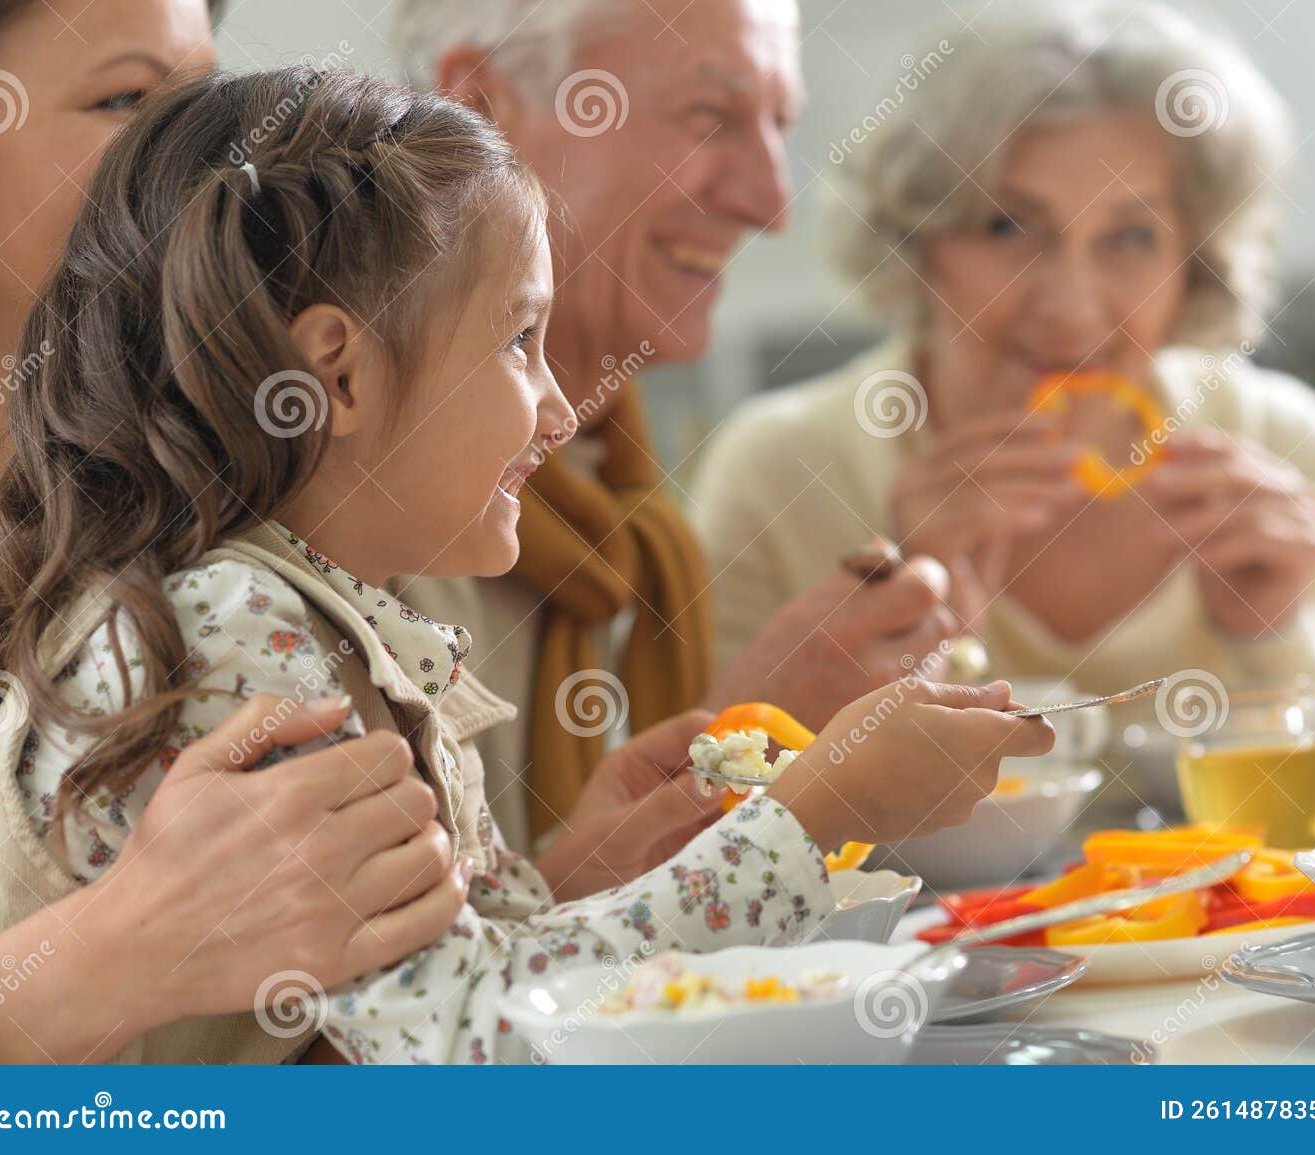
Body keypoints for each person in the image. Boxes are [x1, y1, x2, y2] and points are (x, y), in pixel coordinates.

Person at [0, 66, 1056, 1064]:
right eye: (519, 342)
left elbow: (428, 988)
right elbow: (480, 1049)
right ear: (334, 374)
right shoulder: (227, 628)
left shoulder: (266, 600)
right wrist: (814, 815)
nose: (562, 410)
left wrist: (568, 882)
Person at [690, 0, 1315, 771]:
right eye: (1007, 226)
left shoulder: (1286, 443)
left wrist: (1278, 638)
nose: (1071, 306)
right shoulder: (776, 469)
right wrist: (912, 644)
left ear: (1195, 263)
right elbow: (684, 831)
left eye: (1132, 237)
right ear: (918, 238)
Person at [0, 0, 464, 1065]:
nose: (222, 151)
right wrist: (117, 952)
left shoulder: (266, 525)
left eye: (208, 91)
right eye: (125, 98)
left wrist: (592, 866)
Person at [392, 0, 966, 854]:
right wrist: (749, 734)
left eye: (779, 125)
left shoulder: (618, 494)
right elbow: (444, 964)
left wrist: (761, 728)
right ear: (483, 106)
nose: (771, 202)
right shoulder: (358, 502)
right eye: (708, 117)